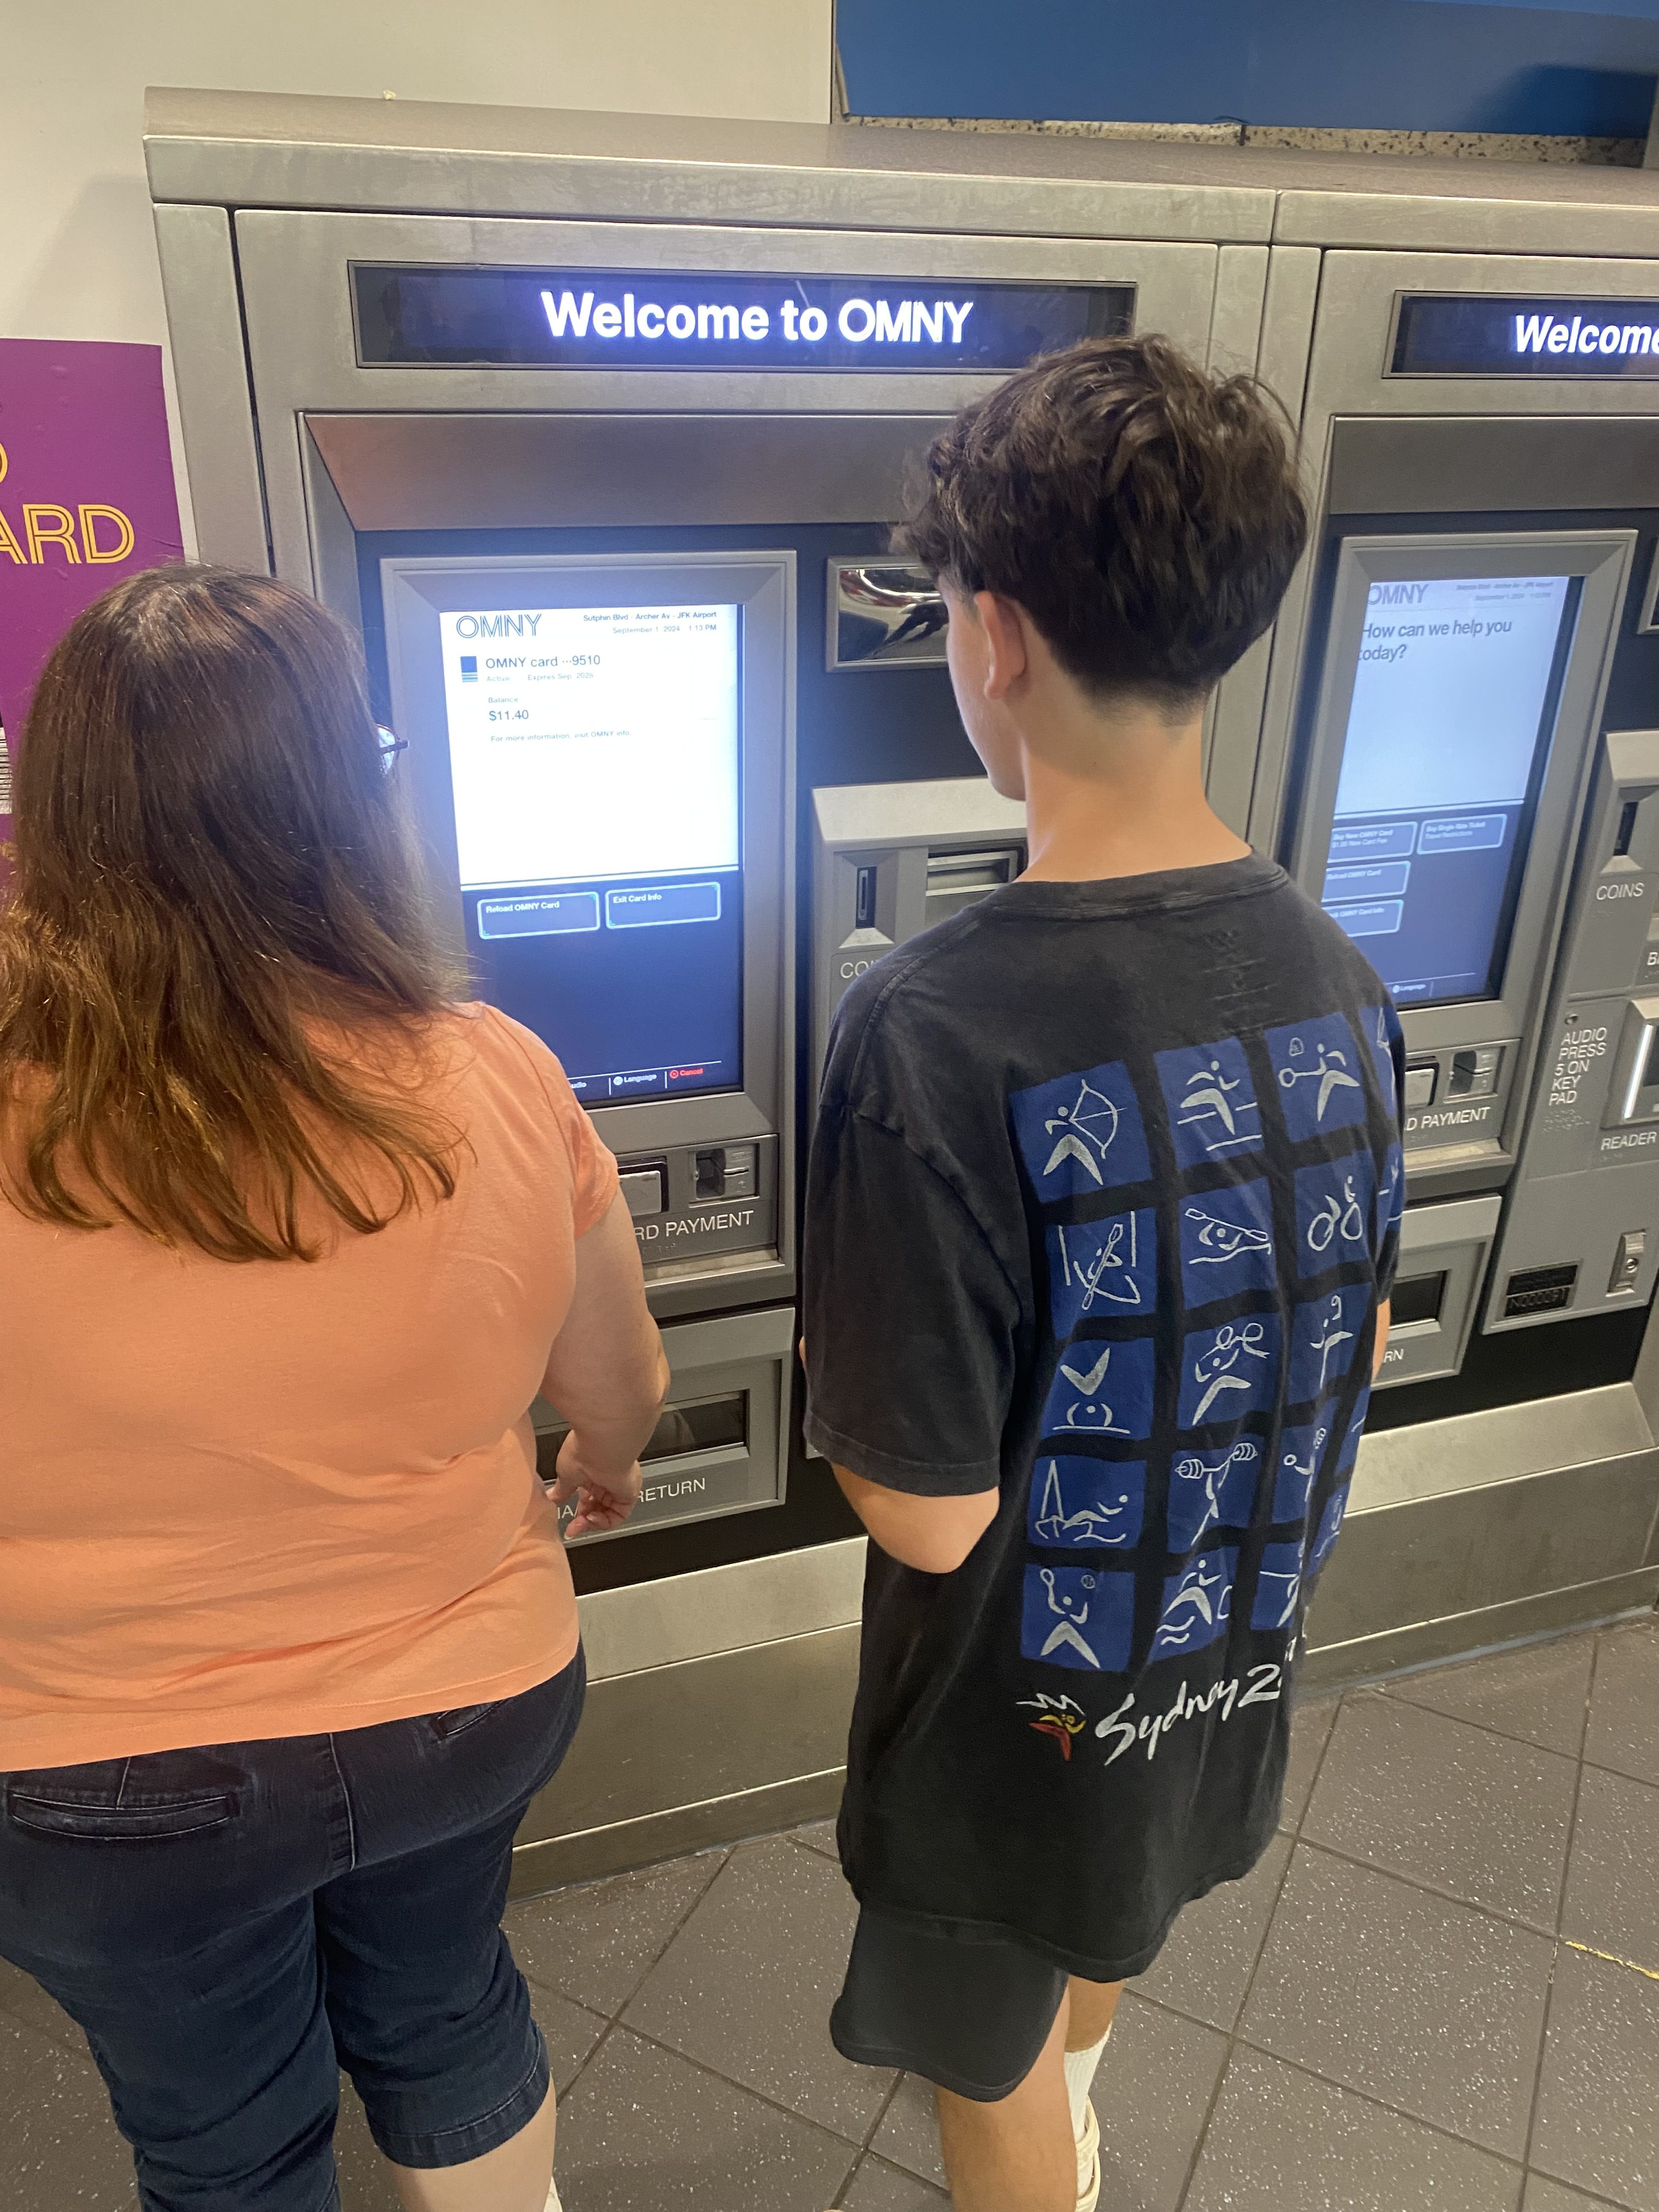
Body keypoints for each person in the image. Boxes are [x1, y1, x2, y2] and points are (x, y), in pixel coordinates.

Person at [802, 336, 1403, 2212]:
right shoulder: (1337, 972)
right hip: (1216, 1665)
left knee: (978, 2062)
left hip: (1009, 1733)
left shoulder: (929, 1026)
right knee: (1096, 1948)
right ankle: (1081, 2101)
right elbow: (1356, 1327)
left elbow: (921, 1510)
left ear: (995, 640)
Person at [0, 568, 668, 2212]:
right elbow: (620, 1383)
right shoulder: (495, 1071)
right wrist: (602, 1460)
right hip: (460, 1698)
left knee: (222, 2135)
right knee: (449, 2015)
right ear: (357, 799)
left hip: (93, 1772)